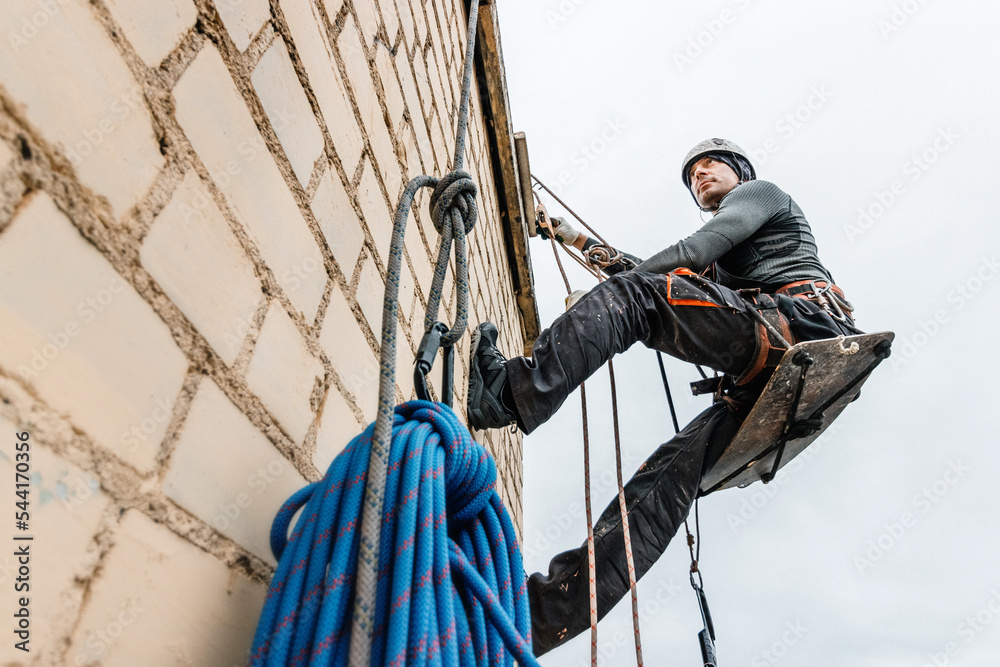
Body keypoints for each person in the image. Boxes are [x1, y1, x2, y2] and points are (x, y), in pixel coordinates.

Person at [466, 138, 859, 655]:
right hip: (786, 373)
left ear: (740, 170)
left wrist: (619, 294)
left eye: (710, 164)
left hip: (803, 329)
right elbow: (662, 276)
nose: (700, 175)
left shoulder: (763, 195)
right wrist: (564, 232)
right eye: (692, 173)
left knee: (635, 297)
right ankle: (531, 620)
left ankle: (509, 394)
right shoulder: (730, 267)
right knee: (657, 491)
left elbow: (683, 260)